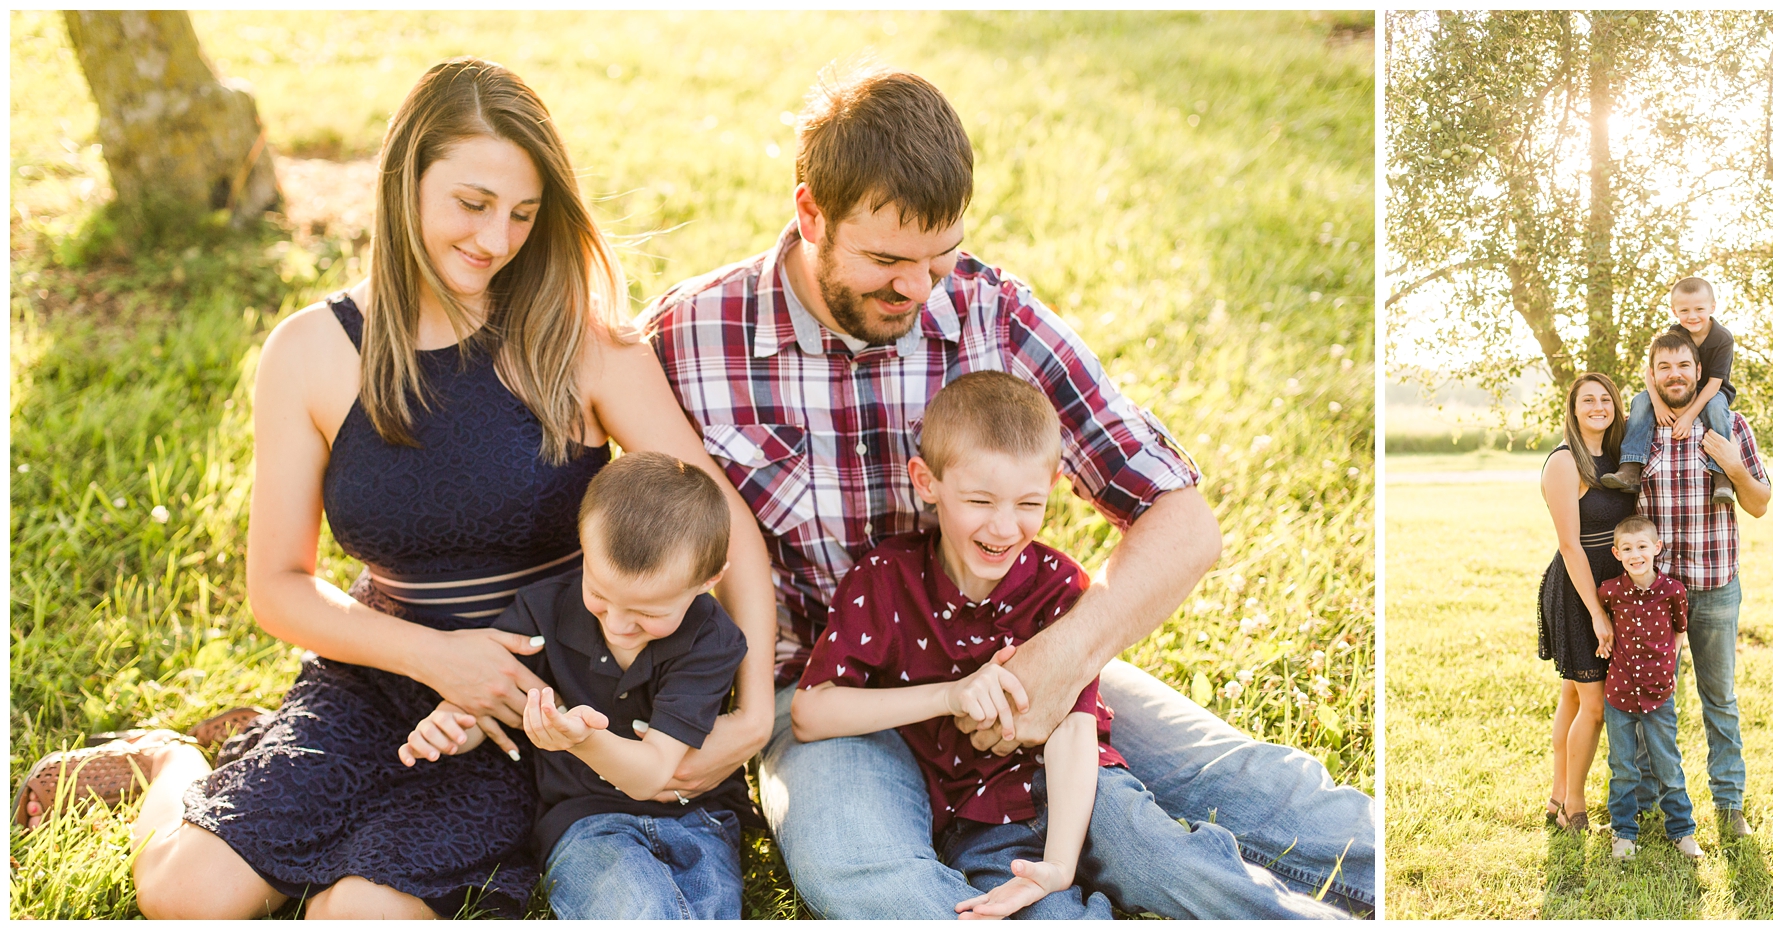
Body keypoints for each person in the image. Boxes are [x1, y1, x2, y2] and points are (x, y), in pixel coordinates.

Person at [20, 59, 778, 919]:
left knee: (357, 914)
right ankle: (176, 763)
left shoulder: (582, 346)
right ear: (405, 179)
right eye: (472, 203)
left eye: (523, 215)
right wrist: (432, 654)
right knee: (186, 894)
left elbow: (719, 522)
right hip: (375, 672)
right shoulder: (310, 352)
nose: (496, 240)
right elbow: (277, 586)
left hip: (537, 709)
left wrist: (750, 716)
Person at [640, 64, 1375, 918]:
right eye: (886, 260)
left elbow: (1182, 519)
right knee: (861, 875)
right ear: (810, 213)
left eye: (940, 258)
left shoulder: (996, 317)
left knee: (1254, 791)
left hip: (1016, 653)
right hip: (829, 698)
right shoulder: (688, 339)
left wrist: (1059, 660)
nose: (918, 289)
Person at [789, 372, 1340, 919]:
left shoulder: (1059, 586)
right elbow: (812, 712)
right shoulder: (887, 580)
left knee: (1163, 861)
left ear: (1054, 484)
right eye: (980, 500)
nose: (1004, 527)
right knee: (1047, 915)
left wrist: (1059, 862)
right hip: (978, 824)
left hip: (1082, 792)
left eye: (1028, 503)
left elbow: (1074, 727)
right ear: (926, 482)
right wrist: (951, 695)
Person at [399, 452, 752, 919]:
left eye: (648, 613)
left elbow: (651, 774)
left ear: (708, 581)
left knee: (708, 908)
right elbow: (485, 706)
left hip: (699, 818)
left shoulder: (712, 640)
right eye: (601, 596)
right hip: (586, 820)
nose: (621, 625)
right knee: (637, 910)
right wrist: (450, 724)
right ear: (584, 548)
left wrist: (585, 742)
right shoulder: (543, 609)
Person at [1630, 328, 1771, 843]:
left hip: (1714, 586)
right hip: (1654, 593)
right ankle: (1644, 803)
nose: (1674, 375)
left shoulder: (1729, 424)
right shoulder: (1638, 433)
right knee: (1649, 699)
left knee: (1719, 699)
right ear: (1652, 374)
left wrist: (1732, 465)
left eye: (1682, 366)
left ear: (1698, 371)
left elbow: (1758, 503)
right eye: (1663, 367)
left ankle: (1729, 804)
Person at [1536, 373, 1635, 833]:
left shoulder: (1617, 456)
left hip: (1613, 581)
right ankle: (1575, 806)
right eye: (1587, 400)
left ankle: (1557, 795)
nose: (1598, 406)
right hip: (1579, 588)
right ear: (1573, 409)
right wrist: (1596, 613)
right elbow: (1570, 545)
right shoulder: (1563, 462)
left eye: (1606, 399)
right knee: (1592, 704)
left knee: (1573, 695)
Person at [1596, 515, 1701, 862]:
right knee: (1623, 766)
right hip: (1620, 693)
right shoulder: (1610, 591)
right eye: (1627, 548)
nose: (1635, 554)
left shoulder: (1673, 591)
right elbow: (1606, 624)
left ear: (1656, 548)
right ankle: (1624, 832)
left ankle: (1682, 831)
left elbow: (1680, 631)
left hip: (1659, 694)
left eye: (1642, 546)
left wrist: (1669, 668)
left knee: (1667, 764)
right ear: (1616, 552)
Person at [1604, 276, 1740, 505]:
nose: (1692, 316)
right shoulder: (1675, 333)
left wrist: (1688, 417)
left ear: (1712, 307)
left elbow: (1714, 383)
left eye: (1699, 309)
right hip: (1677, 388)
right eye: (1684, 310)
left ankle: (1721, 476)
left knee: (1716, 409)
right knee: (1640, 401)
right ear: (1674, 311)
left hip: (1711, 391)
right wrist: (1656, 402)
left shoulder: (1722, 338)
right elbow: (1650, 373)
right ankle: (1630, 468)